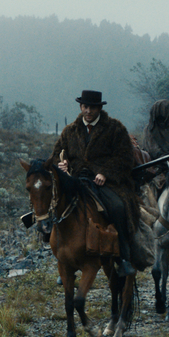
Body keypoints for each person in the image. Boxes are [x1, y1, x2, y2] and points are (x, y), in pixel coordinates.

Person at [50, 90, 142, 276]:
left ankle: (123, 257)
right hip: (75, 179)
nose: (88, 111)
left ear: (100, 108)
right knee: (53, 208)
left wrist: (105, 173)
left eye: (92, 107)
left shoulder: (115, 129)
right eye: (85, 106)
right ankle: (63, 259)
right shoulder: (70, 131)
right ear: (80, 107)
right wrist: (61, 164)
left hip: (106, 183)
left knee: (118, 207)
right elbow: (56, 155)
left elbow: (125, 159)